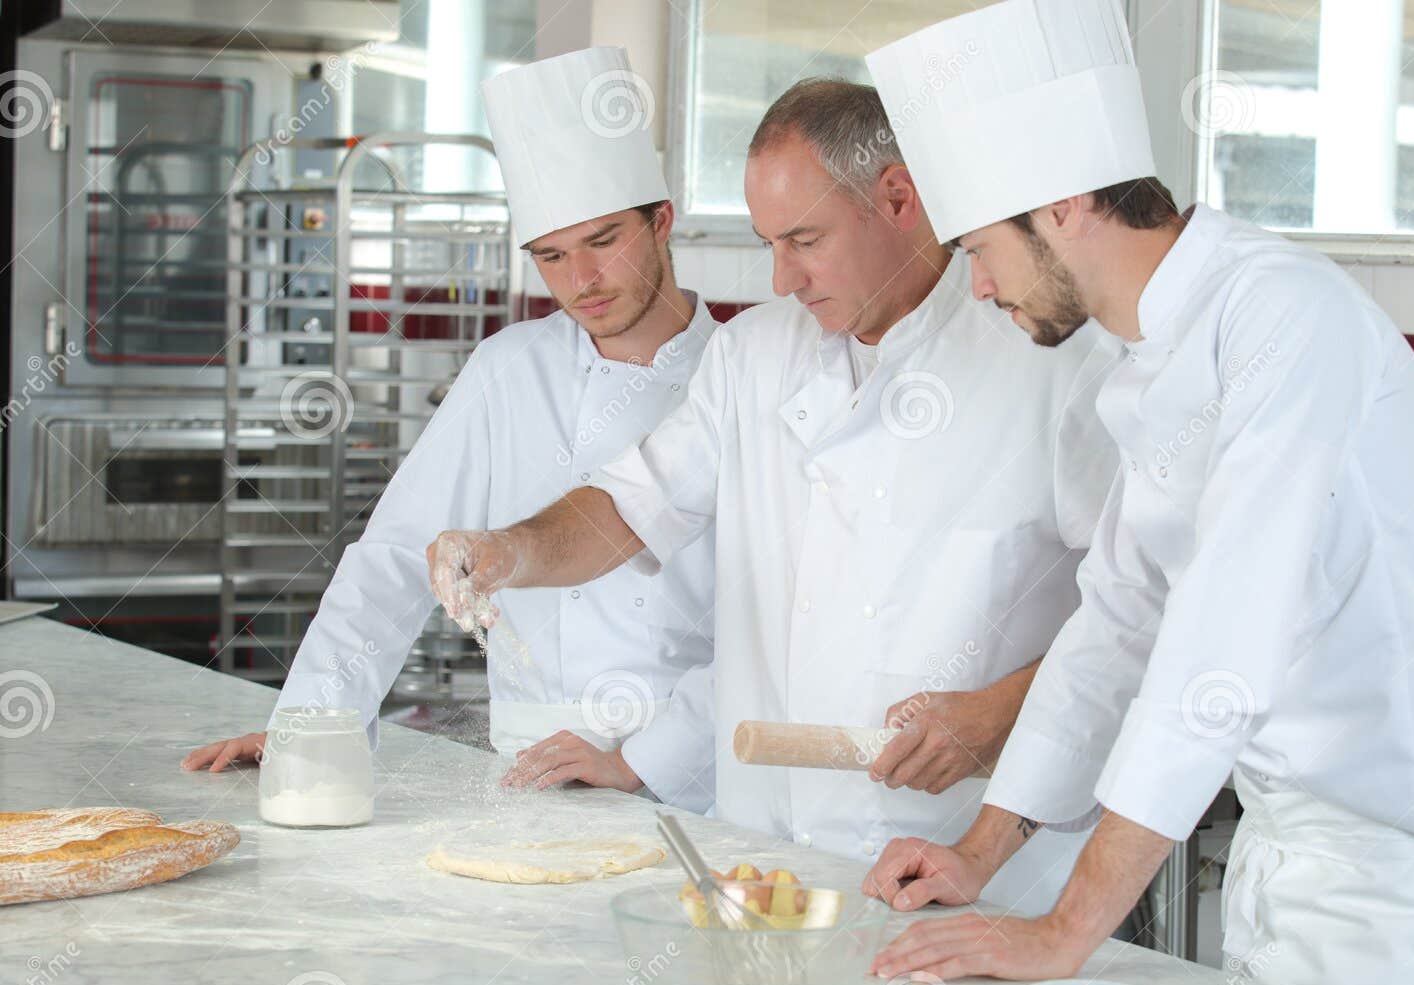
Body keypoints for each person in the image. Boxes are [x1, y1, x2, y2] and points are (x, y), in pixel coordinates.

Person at [861, 0, 1414, 985]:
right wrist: (977, 853)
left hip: (1391, 847)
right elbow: (1117, 623)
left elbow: (1221, 637)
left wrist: (1066, 923)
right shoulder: (1148, 356)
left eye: (983, 247)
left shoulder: (1285, 320)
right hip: (1285, 826)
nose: (979, 287)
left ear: (1067, 201)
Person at [427, 79, 1123, 915]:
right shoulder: (755, 354)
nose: (782, 277)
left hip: (979, 868)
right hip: (769, 855)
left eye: (804, 239)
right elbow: (629, 505)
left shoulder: (1052, 360)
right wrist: (510, 551)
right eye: (768, 243)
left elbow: (1137, 610)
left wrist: (1000, 709)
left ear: (898, 198)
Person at [184, 47, 717, 814]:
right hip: (528, 774)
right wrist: (313, 728)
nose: (581, 283)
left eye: (604, 242)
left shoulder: (743, 373)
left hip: (692, 777)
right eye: (552, 257)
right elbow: (398, 557)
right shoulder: (508, 367)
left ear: (661, 220)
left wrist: (643, 758)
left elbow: (769, 624)